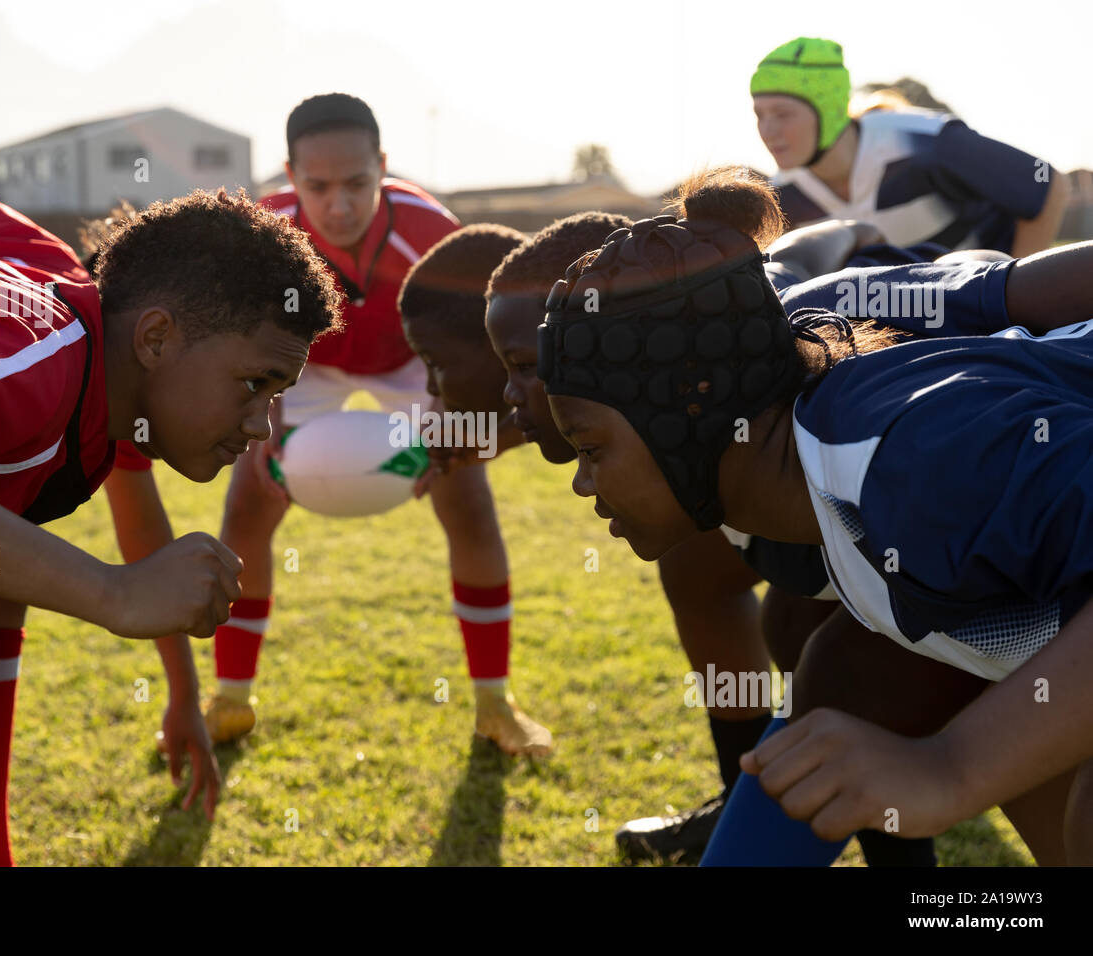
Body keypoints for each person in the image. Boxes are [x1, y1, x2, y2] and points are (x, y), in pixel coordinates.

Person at [538, 168, 1093, 864]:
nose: (582, 482)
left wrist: (951, 768)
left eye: (591, 447)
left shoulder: (898, 453)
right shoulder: (833, 474)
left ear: (687, 410)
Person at [0, 186, 339, 864]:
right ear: (157, 337)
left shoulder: (66, 313)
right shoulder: (41, 350)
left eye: (277, 395)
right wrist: (111, 591)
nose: (261, 424)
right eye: (255, 383)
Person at [207, 93, 552, 756]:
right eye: (318, 187)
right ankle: (231, 697)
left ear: (384, 166)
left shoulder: (432, 232)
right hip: (304, 363)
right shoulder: (261, 234)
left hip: (412, 364)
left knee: (467, 498)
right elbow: (243, 342)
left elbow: (465, 349)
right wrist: (265, 411)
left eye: (357, 184)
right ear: (288, 174)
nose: (338, 206)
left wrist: (449, 428)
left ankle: (492, 702)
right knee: (249, 501)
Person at [751, 36, 1070, 256]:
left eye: (783, 114)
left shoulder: (925, 142)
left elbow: (1048, 179)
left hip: (986, 321)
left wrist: (1012, 300)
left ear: (829, 110)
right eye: (759, 115)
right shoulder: (782, 197)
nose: (767, 130)